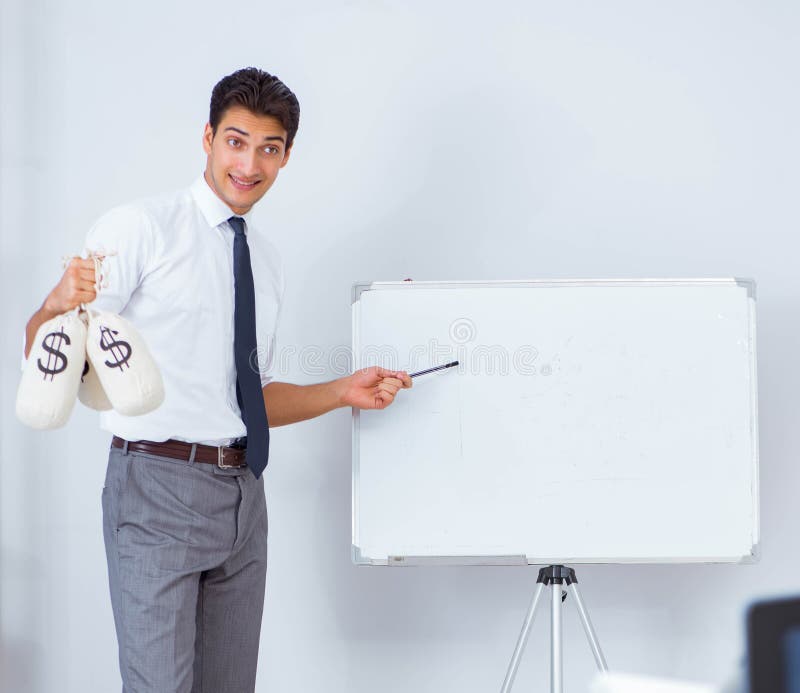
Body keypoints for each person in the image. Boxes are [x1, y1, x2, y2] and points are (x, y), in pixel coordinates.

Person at [23, 67, 411, 693]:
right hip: (154, 489)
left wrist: (342, 391)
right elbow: (51, 350)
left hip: (242, 497)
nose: (249, 163)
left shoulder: (265, 259)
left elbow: (246, 399)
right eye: (236, 140)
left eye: (269, 147)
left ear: (286, 156)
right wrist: (54, 302)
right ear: (207, 138)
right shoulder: (140, 229)